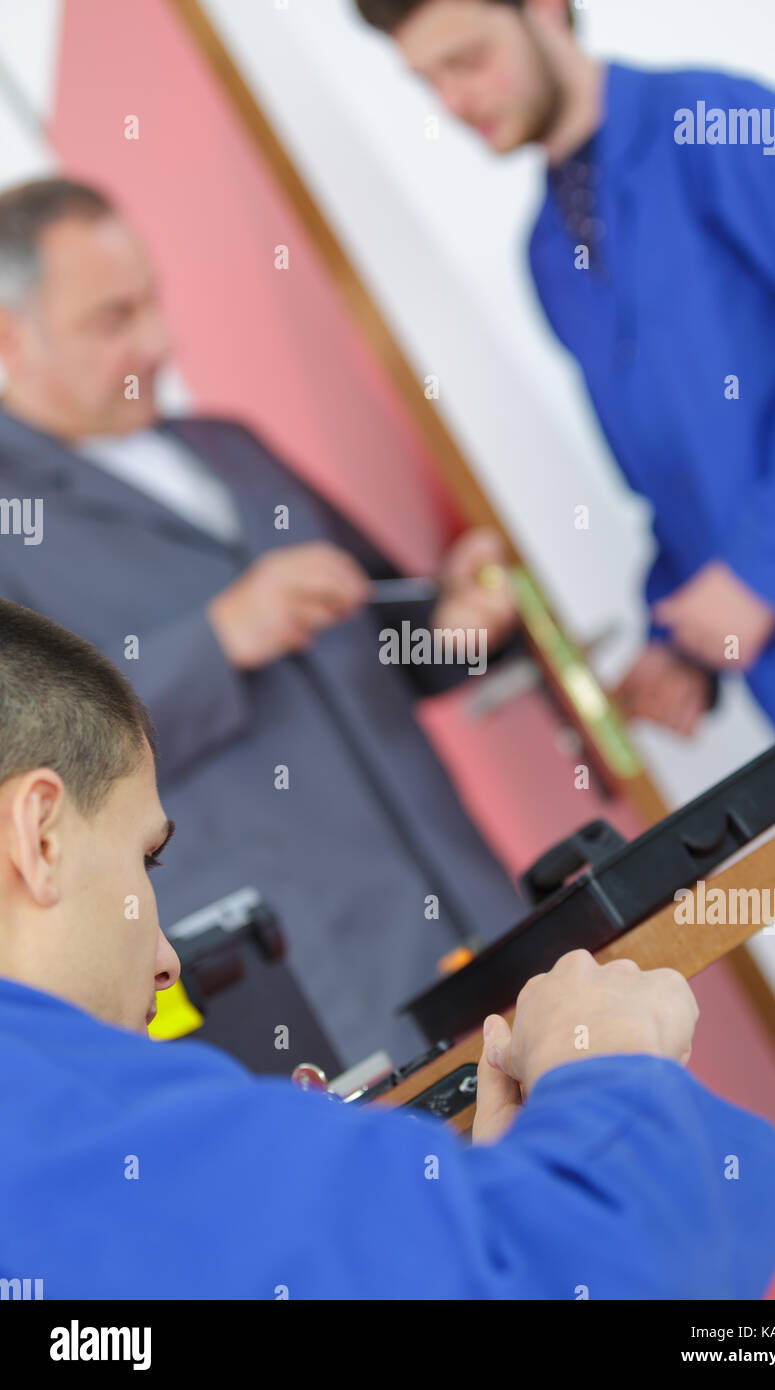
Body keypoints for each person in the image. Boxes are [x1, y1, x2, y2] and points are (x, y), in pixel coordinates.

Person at [0, 598, 775, 1298]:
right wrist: (610, 1071)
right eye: (147, 859)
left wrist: (480, 1207)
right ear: (40, 836)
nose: (167, 961)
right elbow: (611, 1272)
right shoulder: (109, 1139)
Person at [0, 176, 524, 1069]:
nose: (160, 341)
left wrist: (462, 622)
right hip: (327, 992)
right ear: (12, 338)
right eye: (111, 319)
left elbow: (387, 635)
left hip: (481, 915)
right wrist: (222, 637)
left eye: (152, 303)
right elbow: (29, 771)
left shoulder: (230, 447)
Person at [355, 0, 775, 755]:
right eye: (426, 81)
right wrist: (677, 638)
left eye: (465, 61)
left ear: (546, 11)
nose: (453, 104)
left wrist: (763, 576)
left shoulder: (713, 120)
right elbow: (674, 480)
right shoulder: (549, 253)